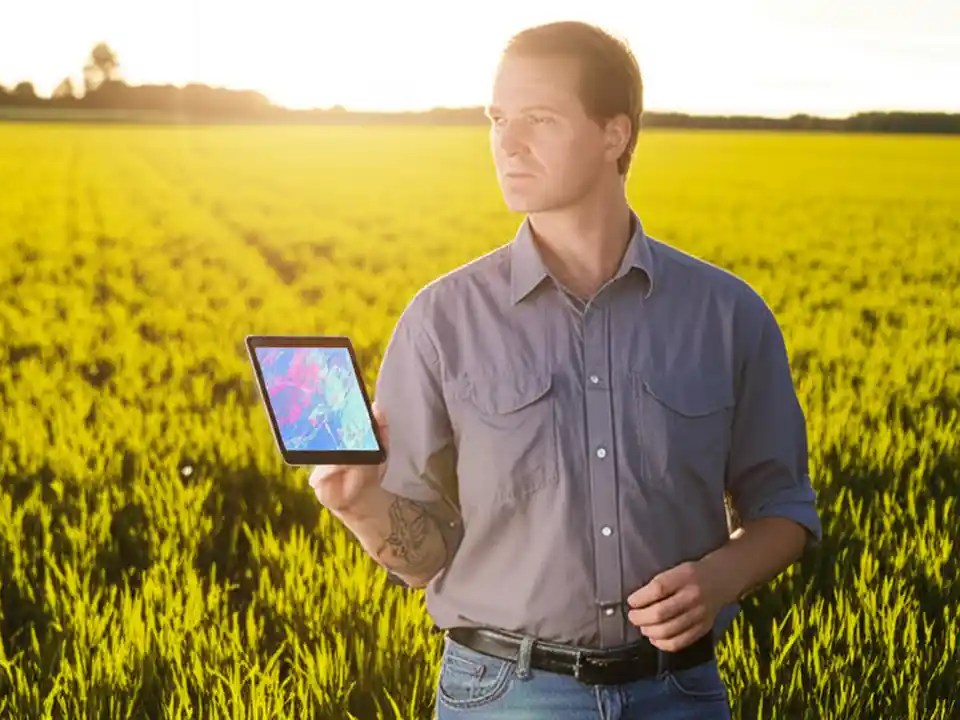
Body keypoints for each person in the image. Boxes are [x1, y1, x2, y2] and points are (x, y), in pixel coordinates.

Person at [308, 19, 823, 720]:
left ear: (615, 135)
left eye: (539, 119)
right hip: (503, 695)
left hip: (681, 692)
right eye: (497, 119)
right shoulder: (441, 320)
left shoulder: (727, 314)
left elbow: (784, 507)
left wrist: (720, 577)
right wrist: (359, 503)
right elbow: (426, 557)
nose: (507, 142)